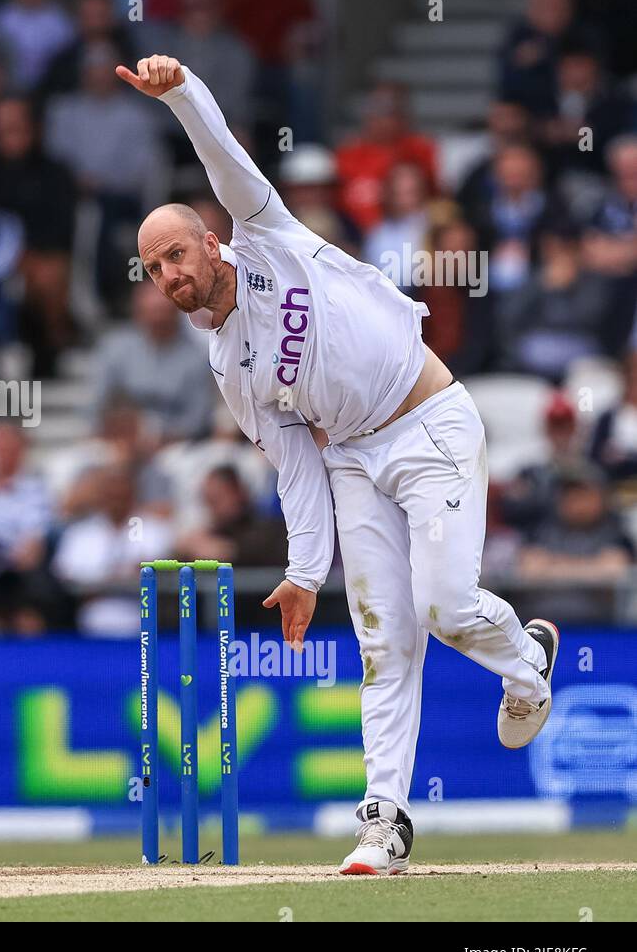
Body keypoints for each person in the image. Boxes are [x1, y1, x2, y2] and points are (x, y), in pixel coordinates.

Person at [118, 52, 558, 877]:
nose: (172, 274)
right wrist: (303, 570)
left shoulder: (266, 234)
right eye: (155, 269)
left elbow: (222, 155)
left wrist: (180, 92)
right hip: (353, 457)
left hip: (426, 420)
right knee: (383, 641)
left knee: (445, 607)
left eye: (178, 253)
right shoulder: (227, 368)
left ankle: (527, 661)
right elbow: (294, 466)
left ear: (210, 242)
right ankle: (383, 824)